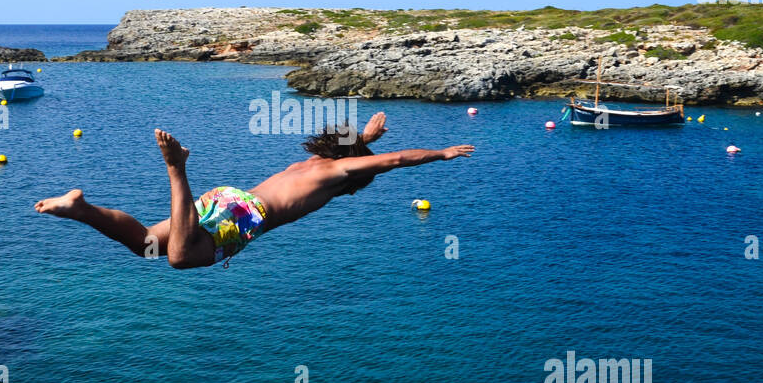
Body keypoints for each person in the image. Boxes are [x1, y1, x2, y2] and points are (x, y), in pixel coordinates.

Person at [34, 112, 474, 268]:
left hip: (228, 197)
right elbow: (394, 161)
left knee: (146, 245)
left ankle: (81, 207)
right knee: (180, 258)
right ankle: (176, 169)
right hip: (248, 215)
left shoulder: (316, 162)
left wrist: (365, 136)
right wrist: (442, 153)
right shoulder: (339, 173)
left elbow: (358, 156)